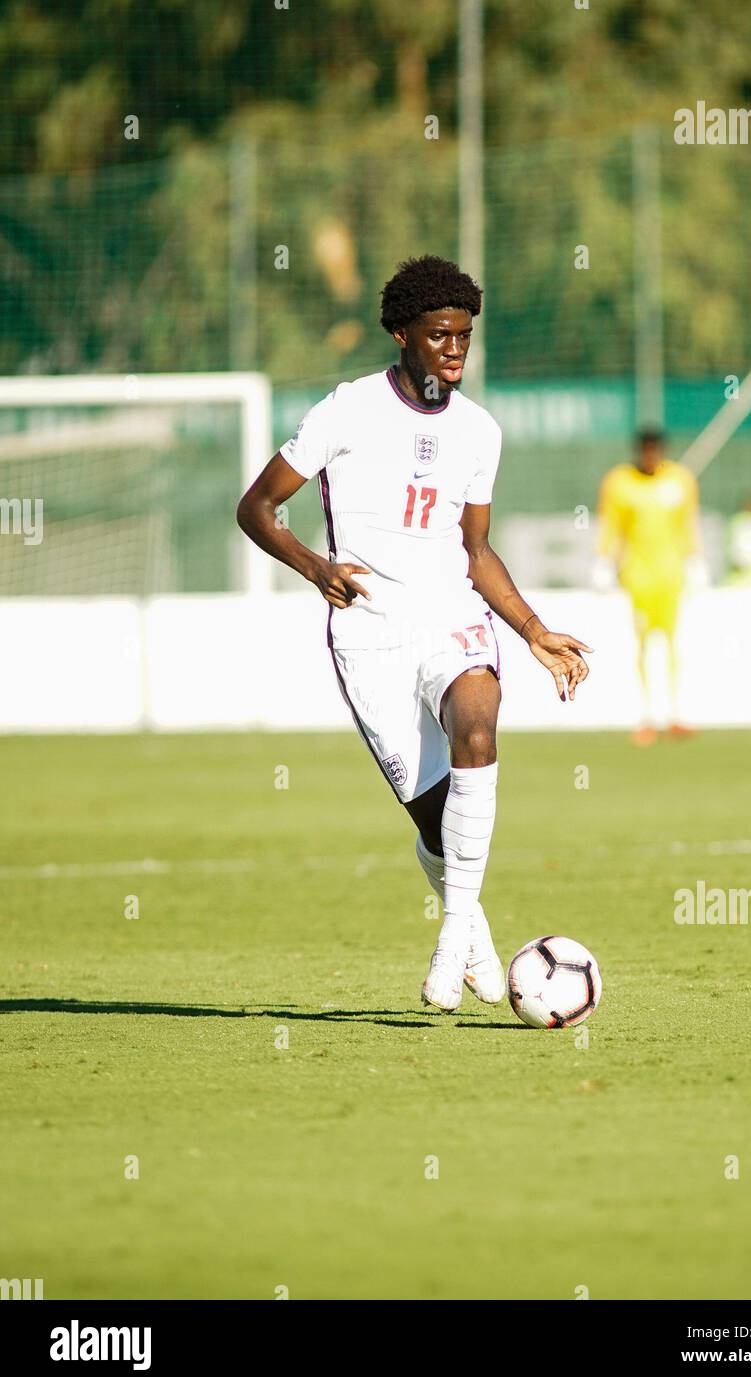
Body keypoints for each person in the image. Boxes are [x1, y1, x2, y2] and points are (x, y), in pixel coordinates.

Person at [236, 255, 592, 1013]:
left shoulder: (480, 433)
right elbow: (257, 509)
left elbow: (475, 552)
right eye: (439, 336)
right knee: (434, 822)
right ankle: (478, 938)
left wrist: (531, 630)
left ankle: (451, 936)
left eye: (465, 336)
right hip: (367, 635)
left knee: (478, 724)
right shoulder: (346, 411)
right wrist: (312, 566)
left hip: (451, 622)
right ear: (401, 334)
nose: (455, 351)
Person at [596, 428, 699, 744]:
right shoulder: (620, 482)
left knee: (673, 643)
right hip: (637, 575)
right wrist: (602, 560)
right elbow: (610, 524)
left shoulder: (680, 480)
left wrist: (695, 558)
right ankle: (645, 715)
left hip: (672, 574)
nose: (651, 456)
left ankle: (675, 713)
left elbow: (688, 523)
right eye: (646, 450)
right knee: (640, 644)